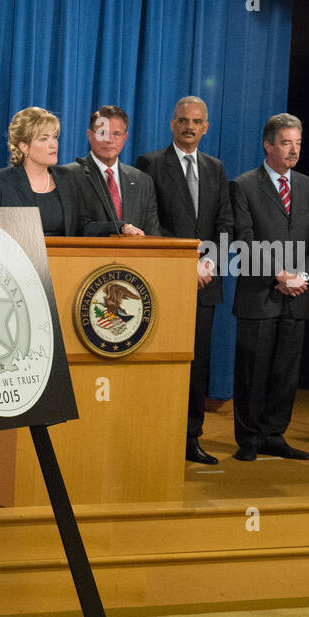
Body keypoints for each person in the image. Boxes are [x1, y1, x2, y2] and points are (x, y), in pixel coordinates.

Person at [135, 96, 235, 465]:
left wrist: (208, 263)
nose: (190, 127)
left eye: (197, 121)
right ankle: (155, 435)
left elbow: (226, 221)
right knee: (161, 362)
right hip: (166, 281)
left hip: (205, 285)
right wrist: (183, 265)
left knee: (197, 363)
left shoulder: (216, 168)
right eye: (183, 120)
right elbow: (150, 222)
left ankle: (191, 439)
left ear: (205, 127)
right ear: (172, 124)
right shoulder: (150, 164)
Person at [228, 113, 309, 461]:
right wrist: (279, 275)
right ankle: (250, 439)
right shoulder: (243, 185)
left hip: (297, 296)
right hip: (259, 294)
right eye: (286, 143)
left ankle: (274, 435)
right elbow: (243, 239)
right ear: (268, 144)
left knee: (286, 371)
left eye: (298, 143)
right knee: (253, 371)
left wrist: (303, 277)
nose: (293, 150)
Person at [0, 107, 89, 236]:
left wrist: (116, 227)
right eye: (44, 139)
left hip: (63, 255)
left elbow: (83, 227)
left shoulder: (69, 178)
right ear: (24, 146)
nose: (53, 144)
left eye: (54, 137)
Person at [64, 105, 161, 236]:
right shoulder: (69, 175)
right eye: (102, 133)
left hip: (135, 255)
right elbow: (74, 227)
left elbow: (152, 234)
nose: (109, 140)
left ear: (125, 138)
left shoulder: (143, 181)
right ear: (90, 135)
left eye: (116, 134)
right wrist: (121, 227)